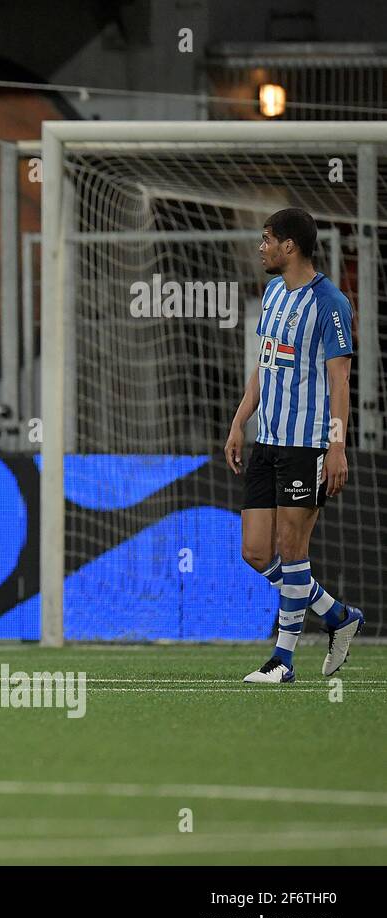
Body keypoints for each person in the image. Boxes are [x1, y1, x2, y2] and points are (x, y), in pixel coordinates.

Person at [225, 207, 363, 684]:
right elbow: (265, 366)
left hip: (307, 445)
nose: (260, 247)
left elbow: (341, 379)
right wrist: (240, 421)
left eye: (267, 239)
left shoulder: (330, 304)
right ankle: (338, 616)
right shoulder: (272, 293)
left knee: (292, 545)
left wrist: (337, 446)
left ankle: (282, 660)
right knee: (256, 552)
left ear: (290, 246)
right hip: (267, 441)